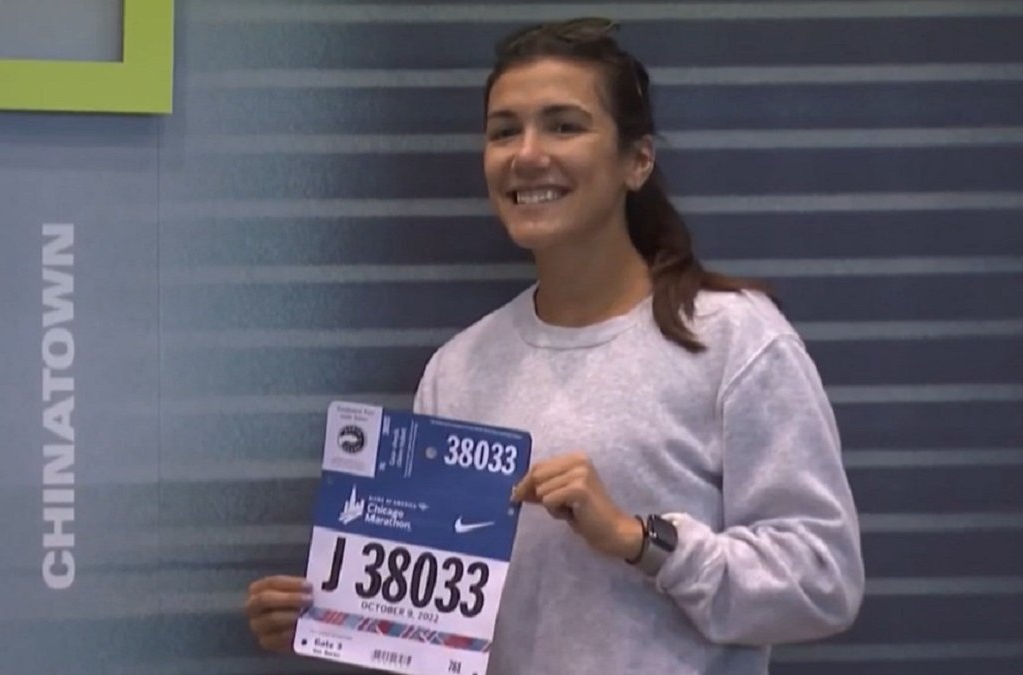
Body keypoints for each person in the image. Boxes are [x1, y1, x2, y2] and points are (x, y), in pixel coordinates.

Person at [245, 17, 864, 674]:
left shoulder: (734, 338)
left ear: (637, 160)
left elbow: (822, 580)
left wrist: (640, 539)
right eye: (504, 130)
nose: (527, 153)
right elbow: (440, 632)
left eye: (564, 125)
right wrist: (336, 618)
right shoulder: (458, 370)